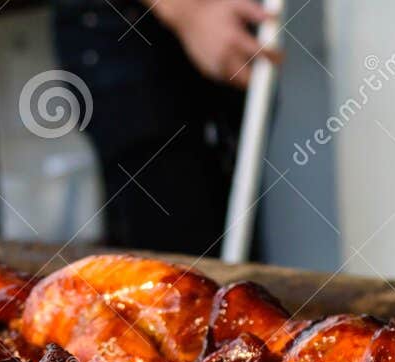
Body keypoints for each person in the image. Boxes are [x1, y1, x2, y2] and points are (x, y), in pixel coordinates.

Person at [52, 0, 280, 257]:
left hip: (236, 22)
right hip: (126, 31)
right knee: (173, 256)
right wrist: (191, 10)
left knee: (247, 240)